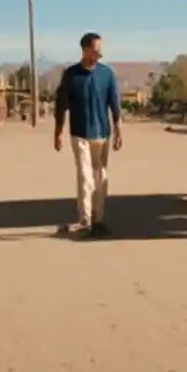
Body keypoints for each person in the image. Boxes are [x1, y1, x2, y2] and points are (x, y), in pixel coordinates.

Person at [53, 32, 122, 238]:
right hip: (80, 133)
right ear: (84, 49)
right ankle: (85, 220)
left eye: (100, 49)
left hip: (102, 133)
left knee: (101, 178)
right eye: (95, 49)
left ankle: (98, 220)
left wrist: (118, 130)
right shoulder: (71, 74)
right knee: (85, 176)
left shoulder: (107, 74)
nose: (99, 52)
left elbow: (115, 104)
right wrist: (58, 133)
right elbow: (61, 105)